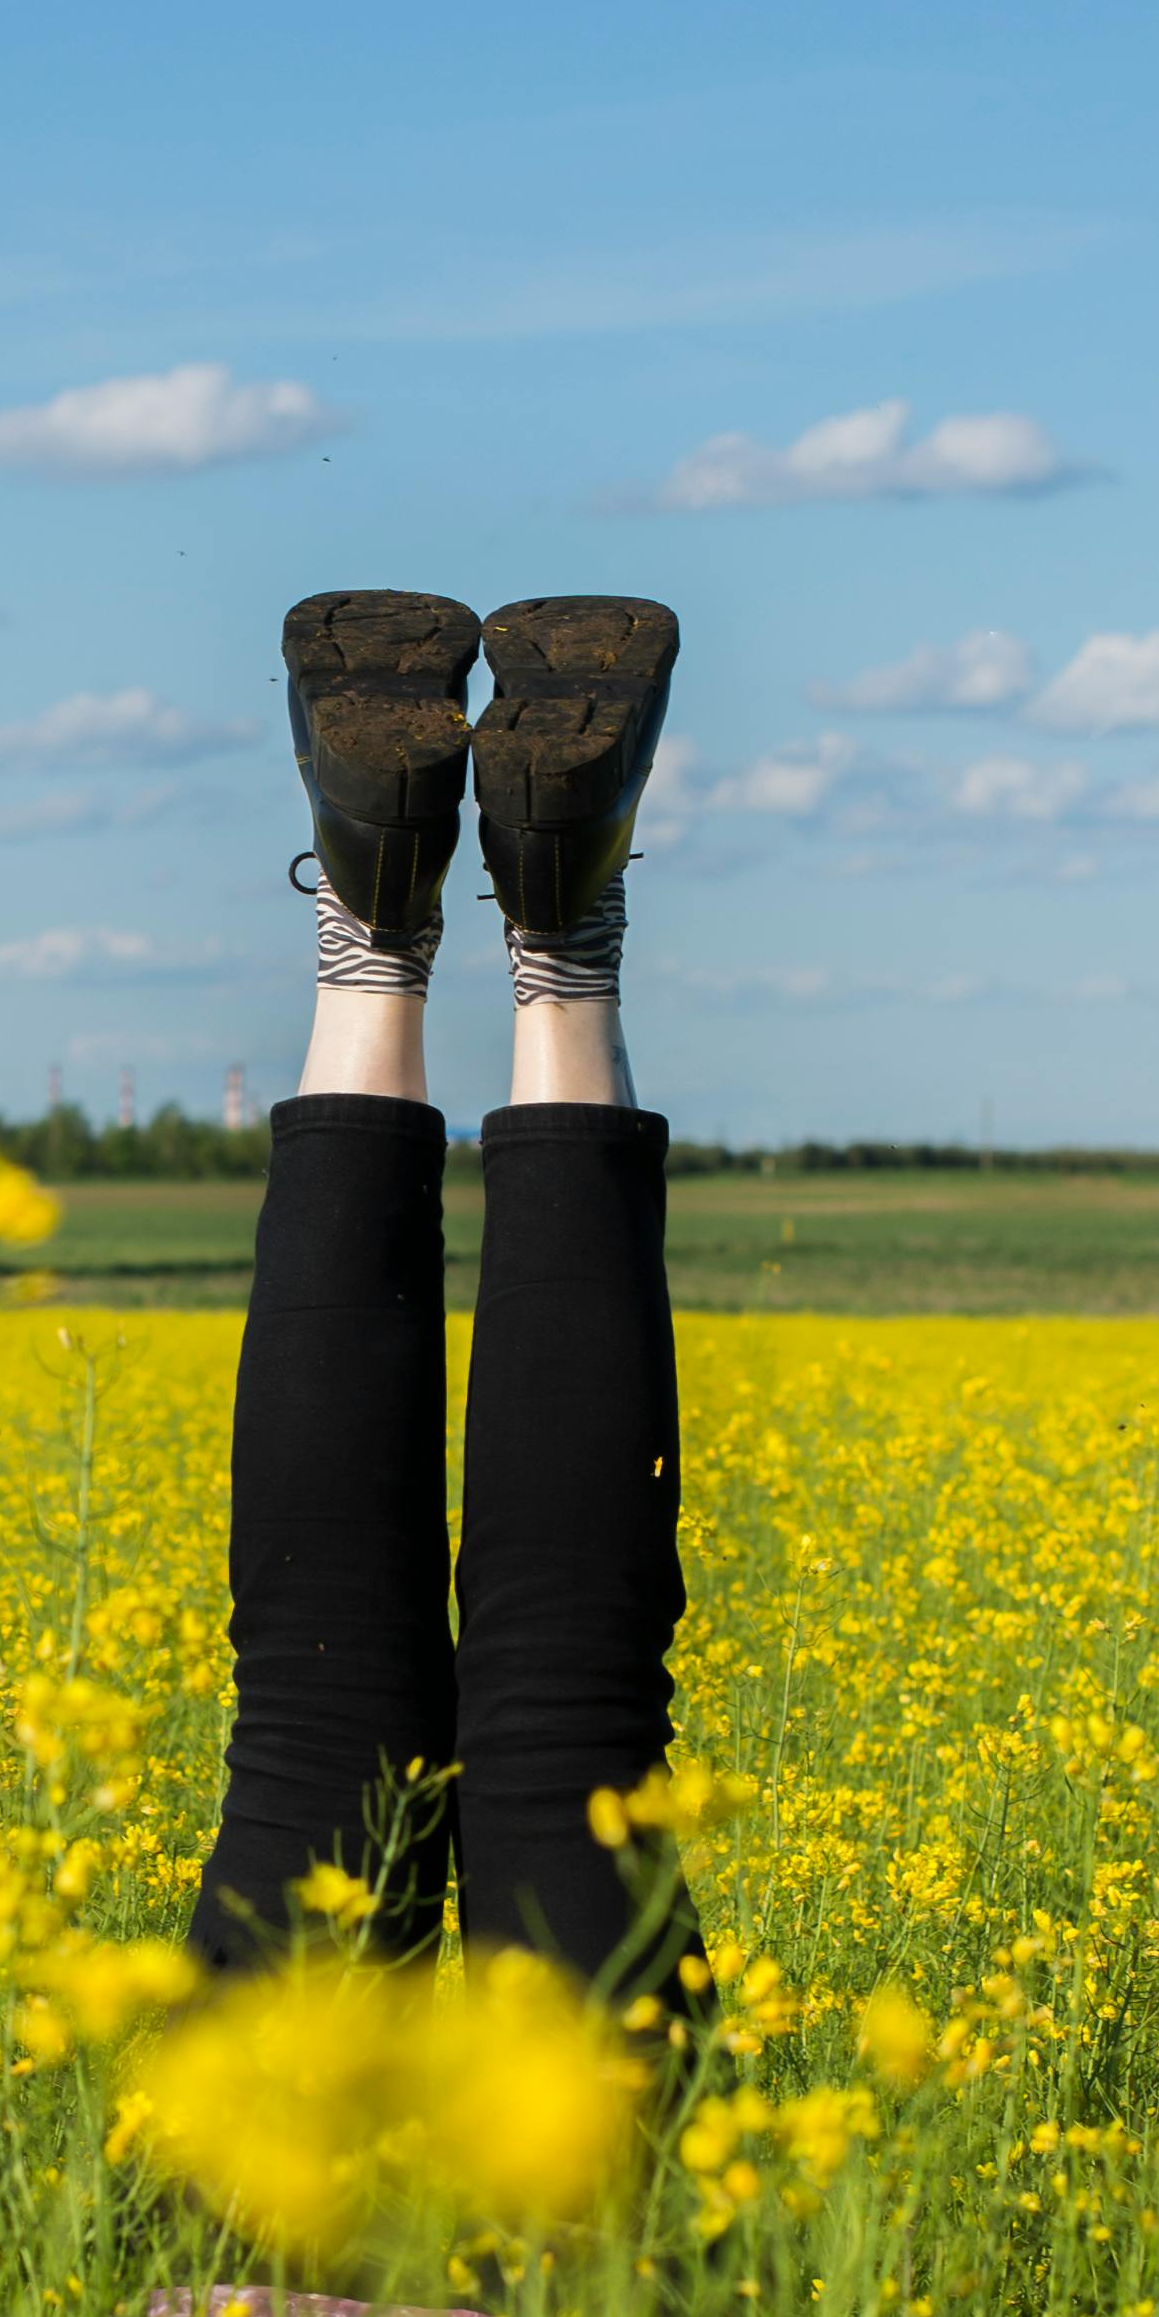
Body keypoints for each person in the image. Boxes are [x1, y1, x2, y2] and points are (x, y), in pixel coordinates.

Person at [190, 590, 701, 2026]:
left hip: (337, 2222)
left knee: (405, 1729)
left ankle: (403, 911)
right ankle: (542, 910)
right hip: (304, 2240)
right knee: (355, 1723)